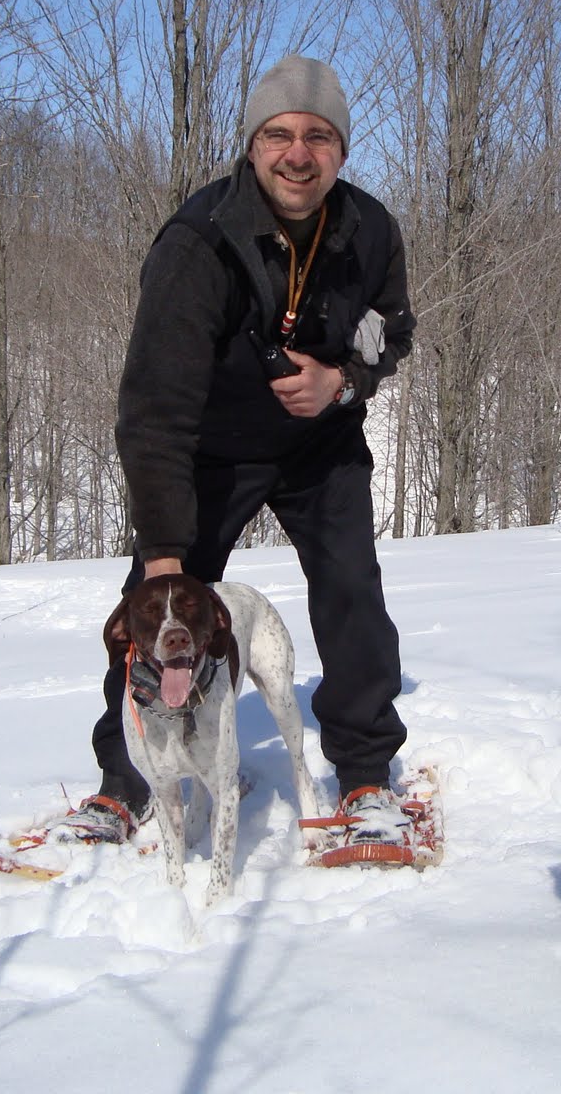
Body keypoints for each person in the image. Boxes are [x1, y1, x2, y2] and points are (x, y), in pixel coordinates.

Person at [56, 55, 416, 850]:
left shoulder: (369, 231)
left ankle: (363, 778)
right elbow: (153, 412)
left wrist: (344, 384)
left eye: (319, 137)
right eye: (280, 134)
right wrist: (162, 552)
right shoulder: (201, 244)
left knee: (352, 591)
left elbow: (392, 332)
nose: (299, 153)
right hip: (211, 450)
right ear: (252, 146)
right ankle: (126, 783)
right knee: (156, 608)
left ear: (341, 152)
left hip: (320, 443)